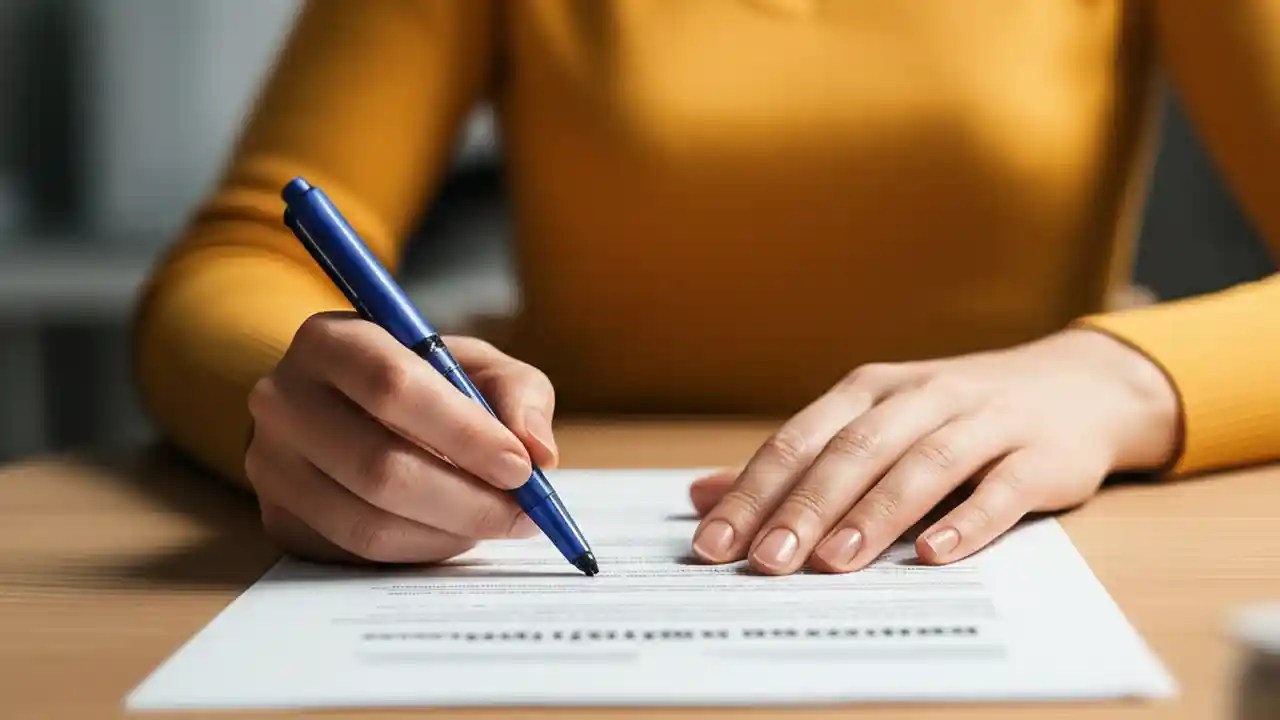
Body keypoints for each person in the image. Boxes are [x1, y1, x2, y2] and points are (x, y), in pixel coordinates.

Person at [134, 2, 1279, 576]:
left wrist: (1114, 384)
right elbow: (239, 256)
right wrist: (300, 402)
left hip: (1030, 532)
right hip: (549, 507)